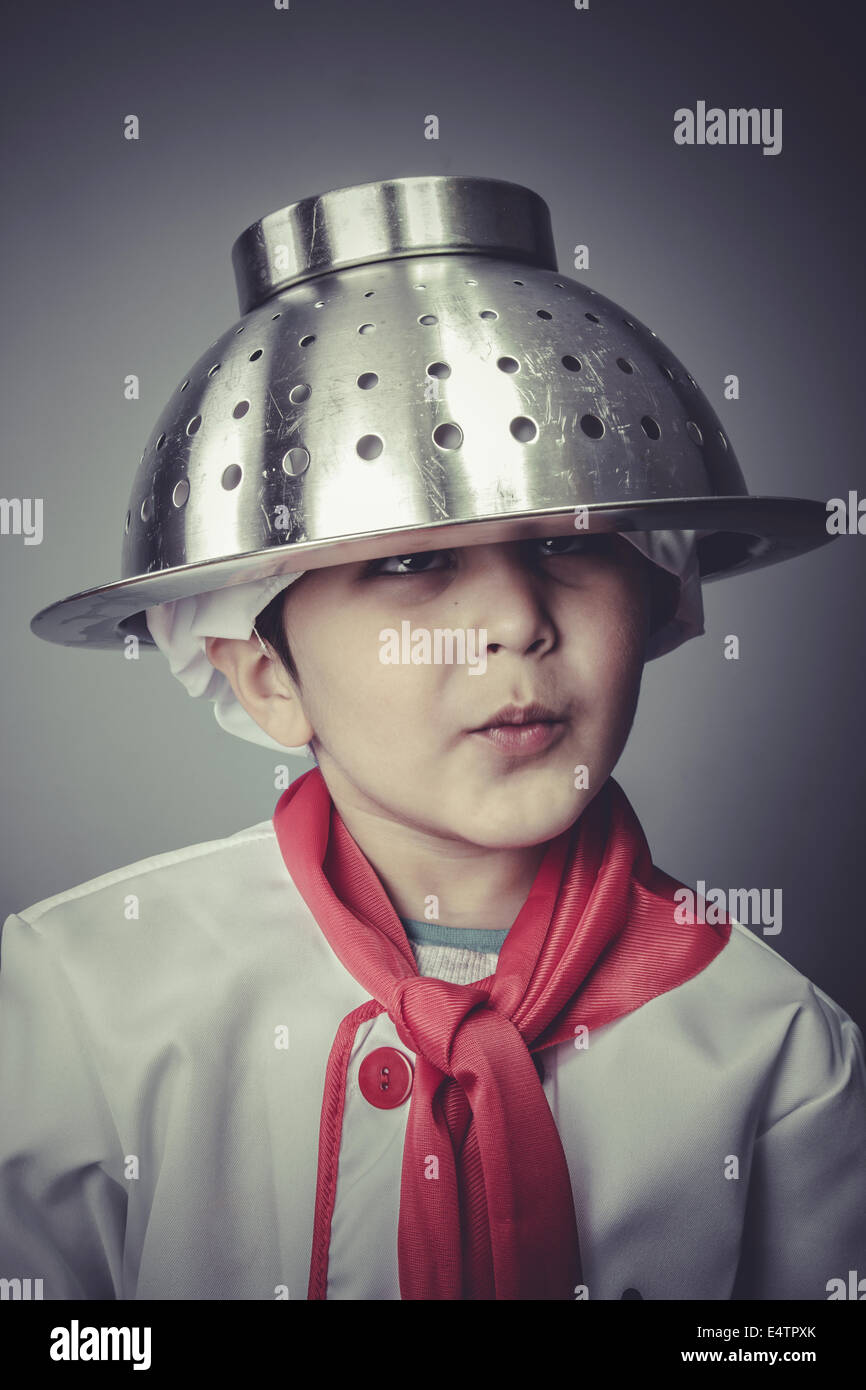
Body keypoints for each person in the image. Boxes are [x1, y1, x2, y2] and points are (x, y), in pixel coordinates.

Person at [3, 175, 864, 1301]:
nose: (514, 621)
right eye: (411, 562)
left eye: (566, 542)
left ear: (659, 598)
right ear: (267, 678)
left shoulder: (773, 1047)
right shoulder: (70, 1008)